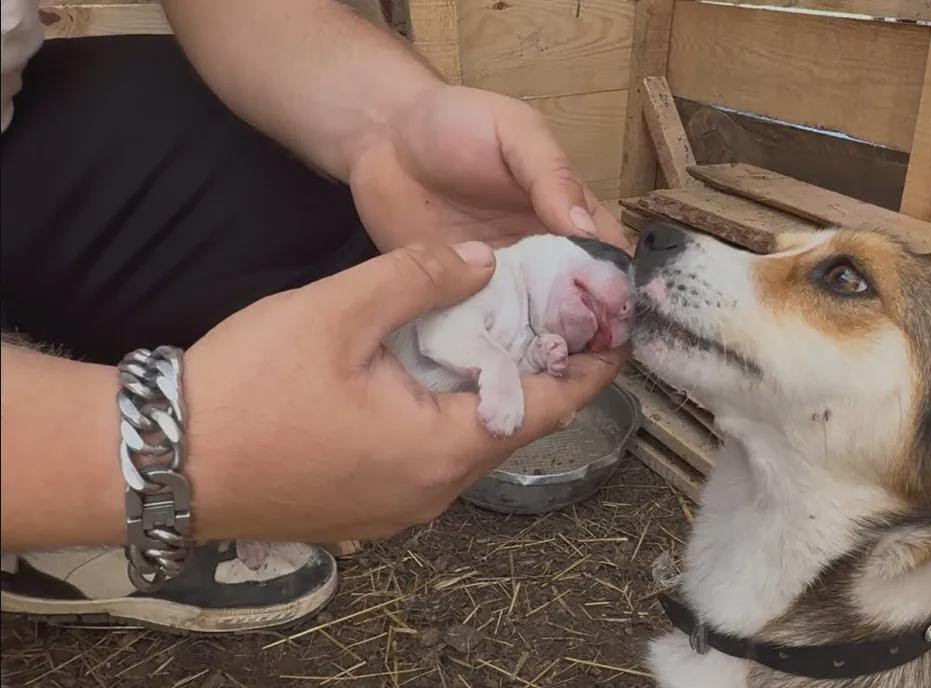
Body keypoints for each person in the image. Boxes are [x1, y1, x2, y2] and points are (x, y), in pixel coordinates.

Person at [0, 0, 627, 632]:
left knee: (358, 216)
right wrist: (169, 454)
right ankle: (66, 522)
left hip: (21, 103)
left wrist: (387, 121)